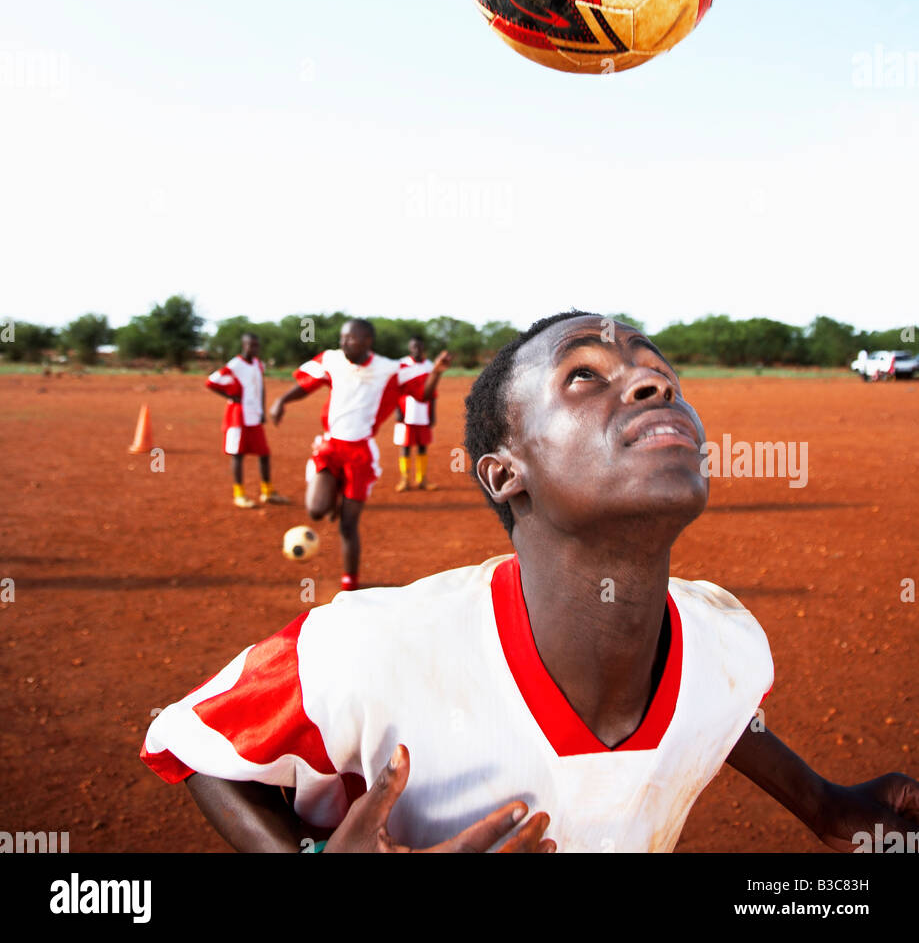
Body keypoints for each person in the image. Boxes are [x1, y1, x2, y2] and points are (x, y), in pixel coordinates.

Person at [142, 312, 919, 853]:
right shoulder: (366, 648)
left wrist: (821, 802)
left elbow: (715, 708)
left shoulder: (727, 640)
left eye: (661, 374)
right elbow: (194, 741)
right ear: (504, 472)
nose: (656, 387)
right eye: (585, 376)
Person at [269, 319, 448, 591]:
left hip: (360, 453)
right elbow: (306, 385)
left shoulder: (389, 369)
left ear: (367, 342)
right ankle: (334, 494)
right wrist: (282, 400)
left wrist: (436, 372)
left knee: (348, 525)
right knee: (316, 511)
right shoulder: (332, 360)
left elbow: (422, 394)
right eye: (342, 338)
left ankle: (350, 584)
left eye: (349, 339)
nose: (343, 343)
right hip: (330, 448)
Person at [206, 331, 290, 509]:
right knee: (238, 454)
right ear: (244, 346)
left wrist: (262, 409)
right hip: (238, 415)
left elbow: (261, 387)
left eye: (257, 345)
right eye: (251, 345)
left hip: (254, 414)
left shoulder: (259, 364)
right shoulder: (235, 364)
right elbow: (211, 382)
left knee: (264, 453)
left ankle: (267, 492)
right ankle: (239, 494)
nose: (255, 348)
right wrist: (231, 396)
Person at [394, 334, 437, 493]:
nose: (417, 350)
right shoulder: (403, 365)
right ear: (410, 348)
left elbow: (433, 392)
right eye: (414, 347)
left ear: (423, 348)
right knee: (405, 446)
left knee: (422, 446)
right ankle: (404, 480)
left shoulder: (430, 366)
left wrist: (433, 414)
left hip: (423, 413)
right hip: (406, 413)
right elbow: (397, 389)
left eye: (419, 347)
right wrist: (398, 410)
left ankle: (422, 479)